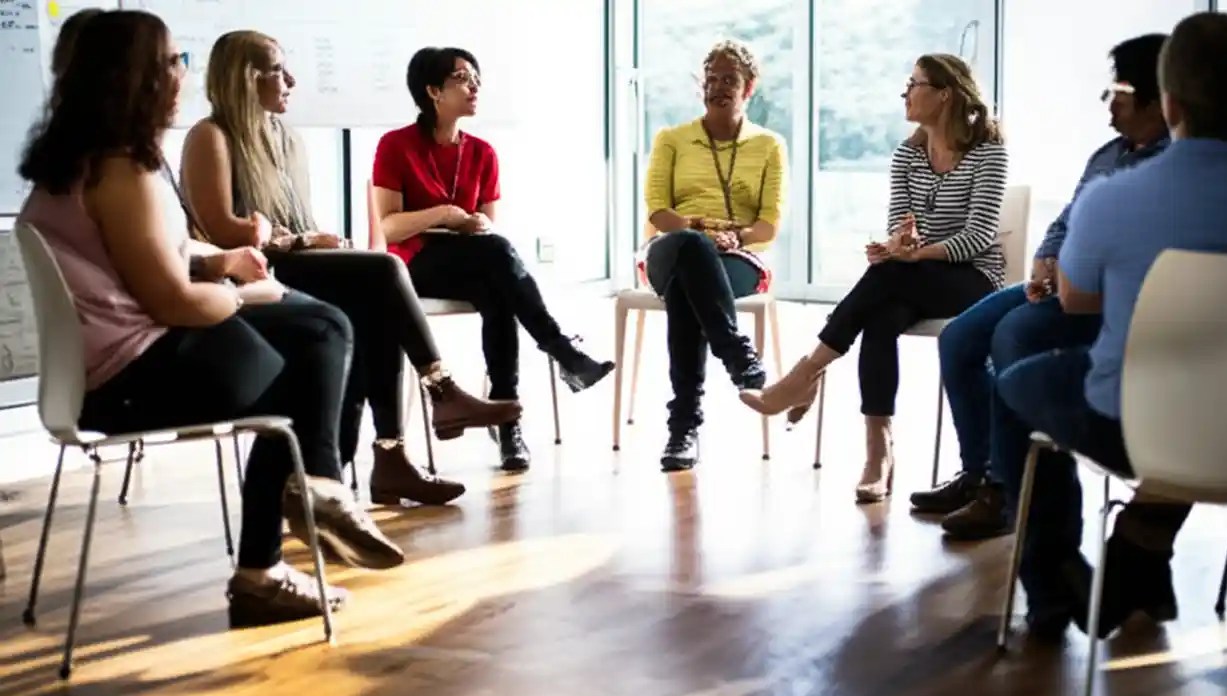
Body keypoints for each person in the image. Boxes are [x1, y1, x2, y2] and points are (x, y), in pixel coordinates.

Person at [16, 9, 403, 627]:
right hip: (132, 381)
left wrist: (219, 259)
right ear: (137, 76)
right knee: (316, 341)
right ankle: (292, 527)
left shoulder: (78, 165)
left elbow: (139, 252)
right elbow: (172, 302)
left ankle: (308, 505)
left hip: (111, 372)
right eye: (173, 60)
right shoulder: (123, 171)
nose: (181, 73)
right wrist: (240, 295)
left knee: (316, 329)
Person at [998, 11, 1227, 640]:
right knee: (1205, 390)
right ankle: (1142, 556)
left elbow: (1075, 302)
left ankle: (1050, 584)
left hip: (1137, 428)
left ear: (1171, 102)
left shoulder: (1112, 199)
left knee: (1015, 383)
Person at [181, 31, 522, 506]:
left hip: (286, 263)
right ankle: (438, 391)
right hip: (250, 274)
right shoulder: (209, 137)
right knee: (382, 271)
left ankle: (389, 459)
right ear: (245, 78)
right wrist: (301, 240)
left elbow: (285, 225)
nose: (291, 80)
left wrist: (312, 238)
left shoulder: (282, 140)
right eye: (279, 69)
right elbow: (221, 230)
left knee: (376, 306)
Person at [911, 34, 1171, 541]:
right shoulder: (1106, 155)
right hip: (1057, 282)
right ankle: (981, 473)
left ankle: (1008, 492)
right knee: (960, 337)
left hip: (1100, 299)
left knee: (1014, 335)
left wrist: (1068, 274)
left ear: (1156, 97)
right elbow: (1065, 220)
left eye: (1116, 90)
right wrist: (1044, 258)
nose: (1107, 104)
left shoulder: (1172, 169)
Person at [740, 53, 1007, 503]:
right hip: (915, 276)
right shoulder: (907, 154)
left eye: (914, 84)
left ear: (944, 95)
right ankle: (877, 454)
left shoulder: (989, 151)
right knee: (881, 314)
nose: (905, 93)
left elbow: (979, 236)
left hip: (973, 279)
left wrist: (915, 253)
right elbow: (900, 223)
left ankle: (806, 374)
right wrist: (897, 246)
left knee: (885, 283)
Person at [370, 46, 614, 473]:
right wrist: (444, 215)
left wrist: (474, 223)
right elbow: (388, 227)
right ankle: (559, 352)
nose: (474, 86)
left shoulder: (482, 152)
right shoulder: (395, 145)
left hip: (467, 262)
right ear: (432, 91)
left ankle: (507, 418)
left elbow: (488, 222)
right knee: (499, 261)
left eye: (476, 78)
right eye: (463, 78)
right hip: (414, 266)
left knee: (497, 289)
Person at [642, 39, 786, 471]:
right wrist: (703, 230)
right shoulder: (672, 139)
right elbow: (659, 213)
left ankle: (682, 425)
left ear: (750, 87)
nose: (718, 87)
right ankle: (736, 353)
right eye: (711, 79)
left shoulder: (769, 146)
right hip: (673, 247)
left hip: (737, 260)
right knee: (691, 248)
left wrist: (735, 238)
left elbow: (768, 225)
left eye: (730, 80)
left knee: (690, 288)